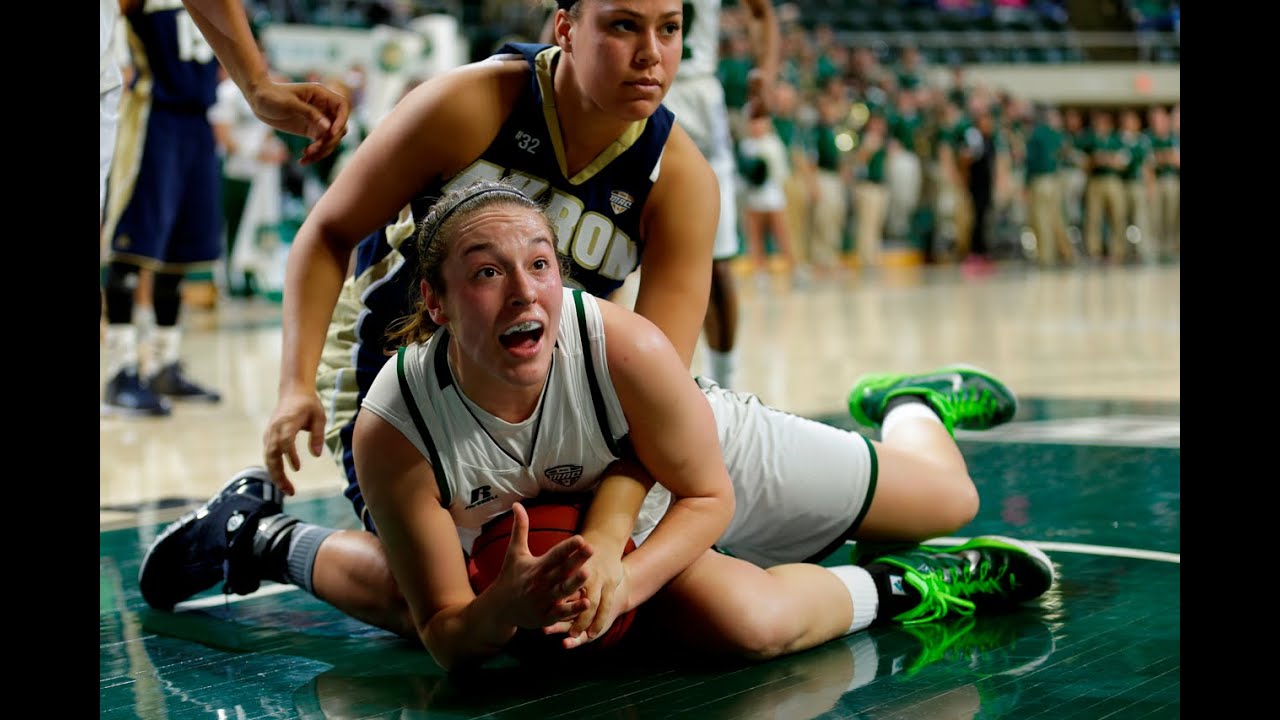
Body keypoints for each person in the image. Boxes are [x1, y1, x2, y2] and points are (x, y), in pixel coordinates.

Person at [139, 179, 1055, 671]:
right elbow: (447, 635)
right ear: (436, 300)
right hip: (575, 512)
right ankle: (910, 587)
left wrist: (624, 567)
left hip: (689, 454)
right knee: (731, 621)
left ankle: (911, 406)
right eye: (488, 272)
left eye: (541, 263)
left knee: (949, 495)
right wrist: (494, 611)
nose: (524, 288)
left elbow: (706, 490)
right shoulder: (396, 427)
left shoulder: (627, 347)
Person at [100, 0, 353, 413]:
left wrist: (257, 82)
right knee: (134, 242)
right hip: (153, 114)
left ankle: (164, 361)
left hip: (196, 122)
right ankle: (120, 367)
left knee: (183, 250)